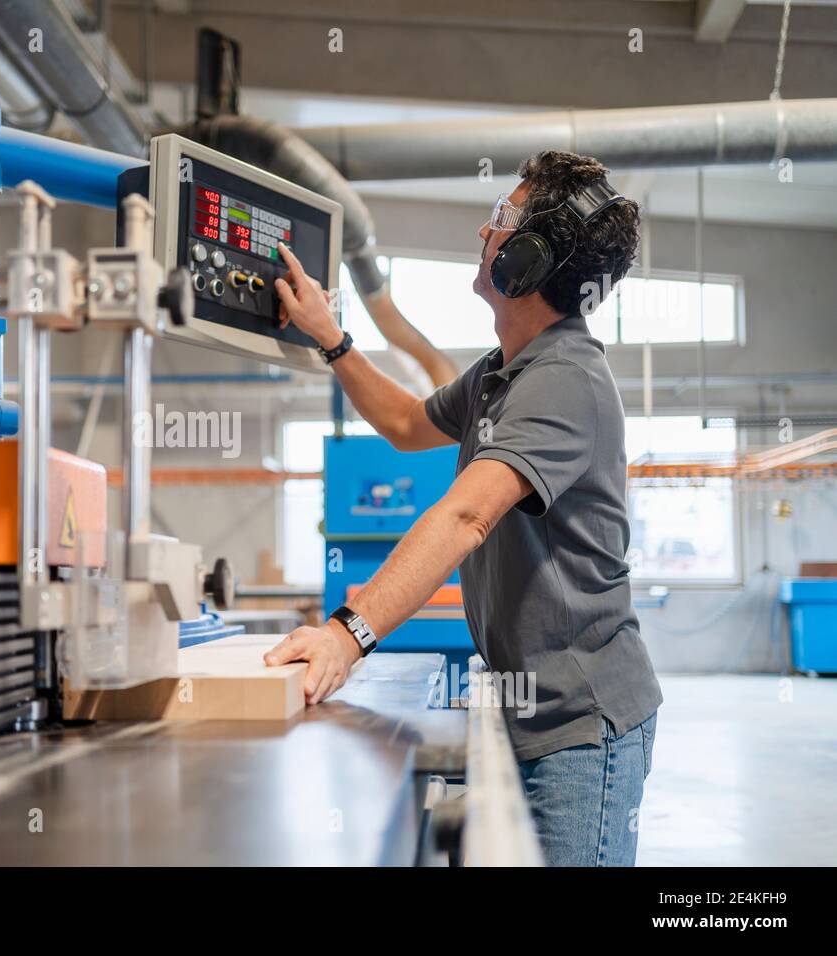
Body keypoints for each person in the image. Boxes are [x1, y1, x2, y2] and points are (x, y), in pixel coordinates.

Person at [265, 150, 663, 867]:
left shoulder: (566, 379)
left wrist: (345, 635)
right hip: (530, 708)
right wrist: (333, 341)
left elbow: (465, 516)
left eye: (501, 221)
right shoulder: (503, 373)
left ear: (528, 261)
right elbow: (407, 423)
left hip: (580, 723)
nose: (485, 232)